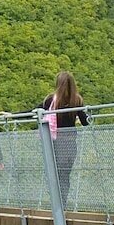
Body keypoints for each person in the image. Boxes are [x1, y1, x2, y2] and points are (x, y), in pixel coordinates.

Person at [37, 71, 89, 208]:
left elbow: (34, 111)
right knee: (64, 175)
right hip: (69, 142)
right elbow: (86, 122)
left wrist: (12, 116)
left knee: (53, 174)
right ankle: (62, 205)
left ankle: (56, 204)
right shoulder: (76, 101)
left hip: (53, 143)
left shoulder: (50, 100)